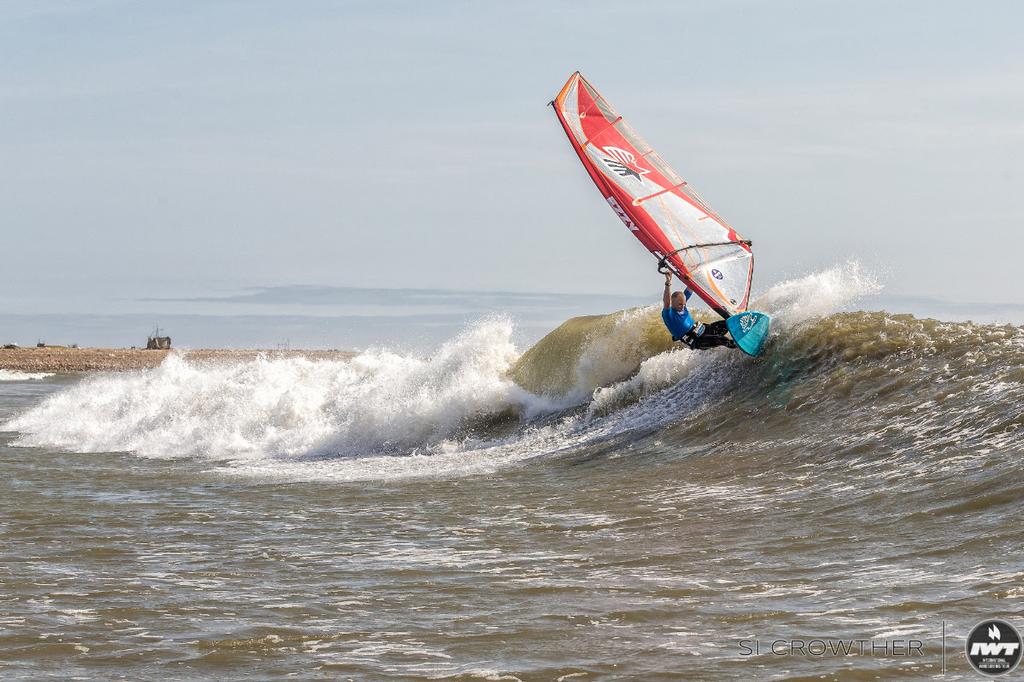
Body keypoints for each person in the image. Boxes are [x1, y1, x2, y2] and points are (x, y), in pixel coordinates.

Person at [661, 271, 736, 350]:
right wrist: (668, 282)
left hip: (704, 329)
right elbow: (666, 302)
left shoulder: (683, 304)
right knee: (721, 339)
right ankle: (738, 347)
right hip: (698, 341)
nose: (683, 306)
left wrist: (694, 272)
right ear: (673, 302)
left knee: (729, 323)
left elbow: (691, 287)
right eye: (680, 304)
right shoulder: (669, 315)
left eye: (684, 304)